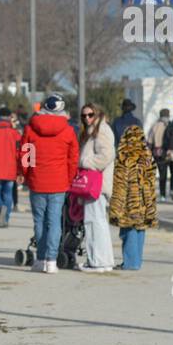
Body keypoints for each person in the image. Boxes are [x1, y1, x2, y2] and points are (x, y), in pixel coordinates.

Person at [21, 94, 79, 273]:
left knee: (39, 221)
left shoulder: (31, 128)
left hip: (37, 181)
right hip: (59, 182)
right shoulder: (68, 130)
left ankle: (40, 258)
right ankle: (51, 260)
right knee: (54, 221)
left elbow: (25, 155)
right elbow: (72, 159)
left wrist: (27, 175)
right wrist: (69, 179)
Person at [108, 125, 158, 270]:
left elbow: (119, 184)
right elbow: (151, 181)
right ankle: (136, 260)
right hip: (144, 201)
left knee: (128, 230)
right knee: (140, 229)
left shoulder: (124, 157)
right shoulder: (147, 156)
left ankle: (131, 263)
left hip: (128, 202)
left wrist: (116, 207)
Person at [77, 103, 116, 272]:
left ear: (97, 113)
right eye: (83, 116)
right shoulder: (95, 130)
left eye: (90, 114)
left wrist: (85, 162)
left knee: (93, 222)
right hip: (97, 183)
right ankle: (103, 261)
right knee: (97, 222)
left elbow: (107, 154)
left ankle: (98, 261)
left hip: (97, 183)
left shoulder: (101, 130)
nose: (86, 118)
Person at [147, 108, 173, 201]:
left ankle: (163, 194)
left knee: (163, 174)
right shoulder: (171, 125)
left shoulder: (155, 125)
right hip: (170, 152)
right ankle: (172, 190)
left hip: (158, 153)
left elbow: (150, 141)